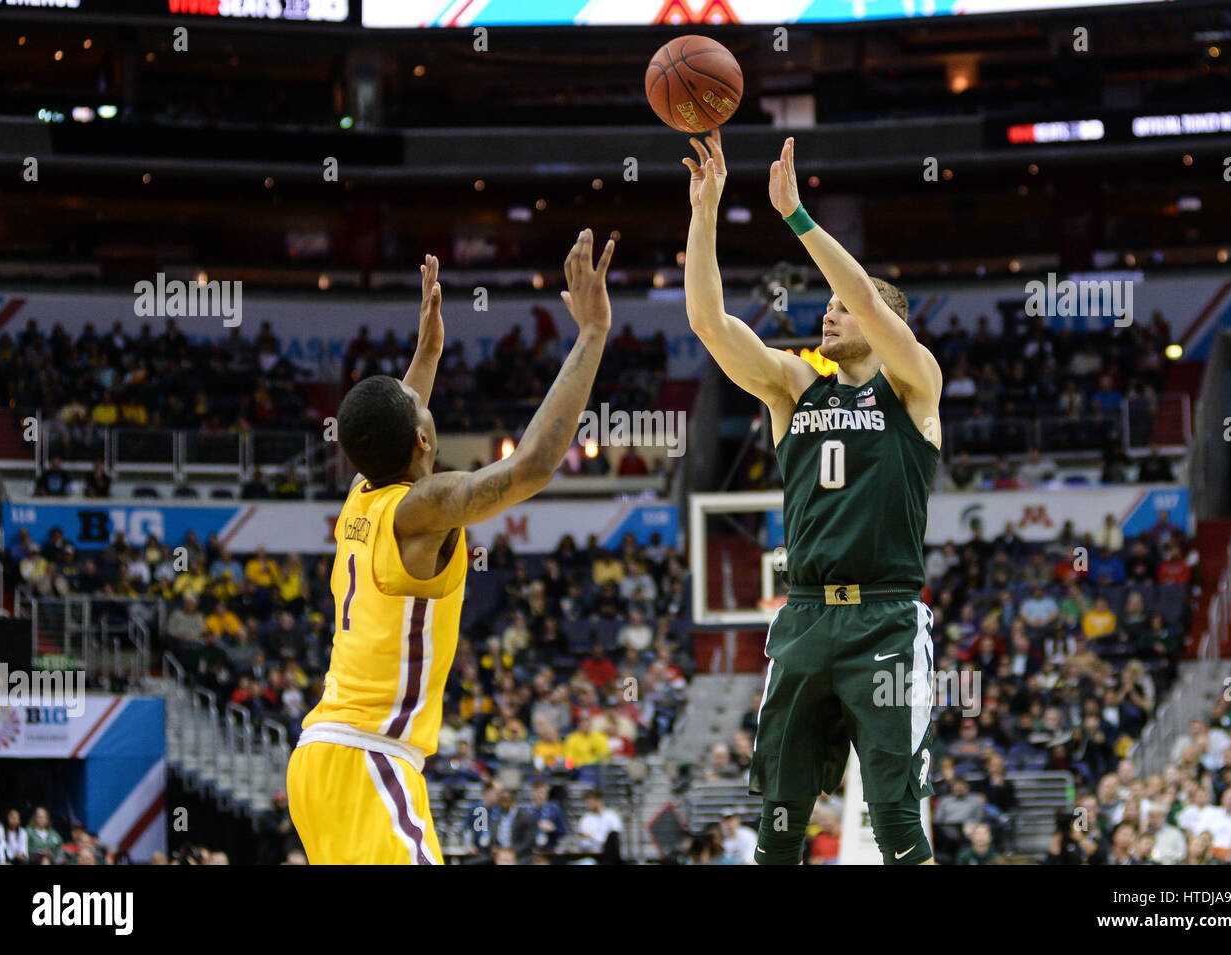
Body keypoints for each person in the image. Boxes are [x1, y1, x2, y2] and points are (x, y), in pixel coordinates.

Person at [288, 233, 617, 865]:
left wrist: (427, 355)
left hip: (322, 762)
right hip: (368, 758)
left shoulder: (362, 496)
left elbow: (388, 432)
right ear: (421, 438)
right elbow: (531, 468)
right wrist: (592, 333)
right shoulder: (418, 510)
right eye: (422, 409)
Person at [683, 131, 940, 865]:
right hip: (803, 614)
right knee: (780, 827)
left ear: (888, 327)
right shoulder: (794, 386)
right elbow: (709, 322)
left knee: (895, 821)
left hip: (885, 619)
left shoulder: (914, 385)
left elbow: (863, 291)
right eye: (825, 306)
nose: (829, 314)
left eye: (843, 309)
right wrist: (705, 215)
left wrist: (797, 217)